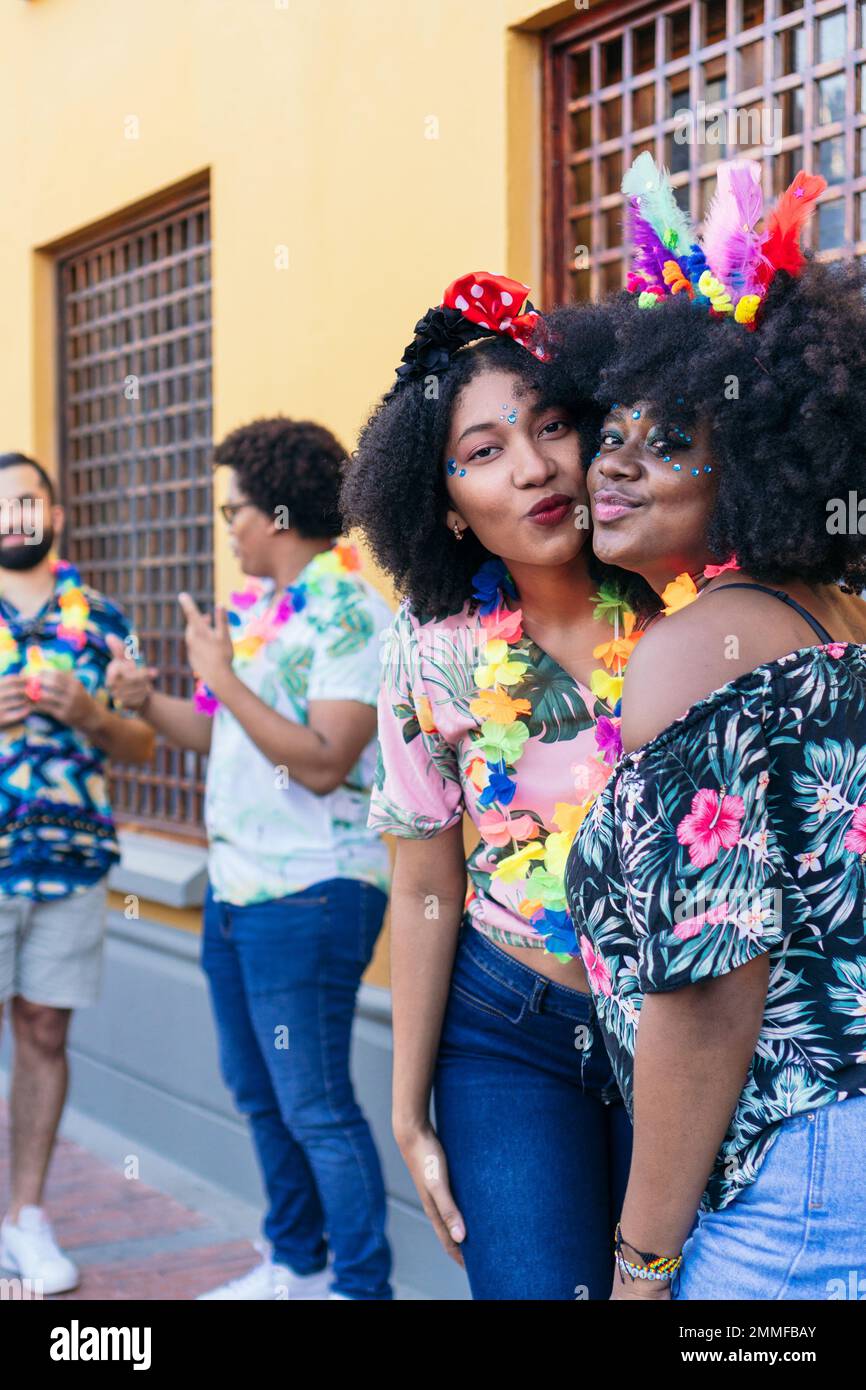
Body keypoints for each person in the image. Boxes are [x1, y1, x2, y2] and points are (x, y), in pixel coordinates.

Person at [564, 155, 866, 1299]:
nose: (614, 462)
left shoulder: (699, 648)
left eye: (669, 438)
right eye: (613, 429)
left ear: (756, 468)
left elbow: (707, 986)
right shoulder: (829, 620)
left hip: (795, 1176)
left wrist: (642, 1257)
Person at [342, 271, 649, 1300]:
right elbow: (426, 882)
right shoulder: (427, 652)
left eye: (551, 425)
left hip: (686, 1025)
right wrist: (406, 1106)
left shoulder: (692, 611)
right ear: (450, 510)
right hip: (506, 1032)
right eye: (483, 452)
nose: (532, 467)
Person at [107, 418, 393, 1301]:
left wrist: (221, 676)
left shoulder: (349, 608)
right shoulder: (256, 612)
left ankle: (359, 1286)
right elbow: (216, 735)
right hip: (236, 890)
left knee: (314, 1102)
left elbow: (320, 761)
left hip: (312, 892)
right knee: (261, 1093)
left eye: (234, 509)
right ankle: (295, 1265)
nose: (226, 526)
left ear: (275, 512)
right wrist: (148, 698)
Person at [0, 452, 154, 1295]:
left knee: (45, 1034)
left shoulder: (102, 619)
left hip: (70, 859)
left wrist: (94, 713)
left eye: (27, 501)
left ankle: (25, 1217)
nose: (14, 516)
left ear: (53, 514)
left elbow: (141, 742)